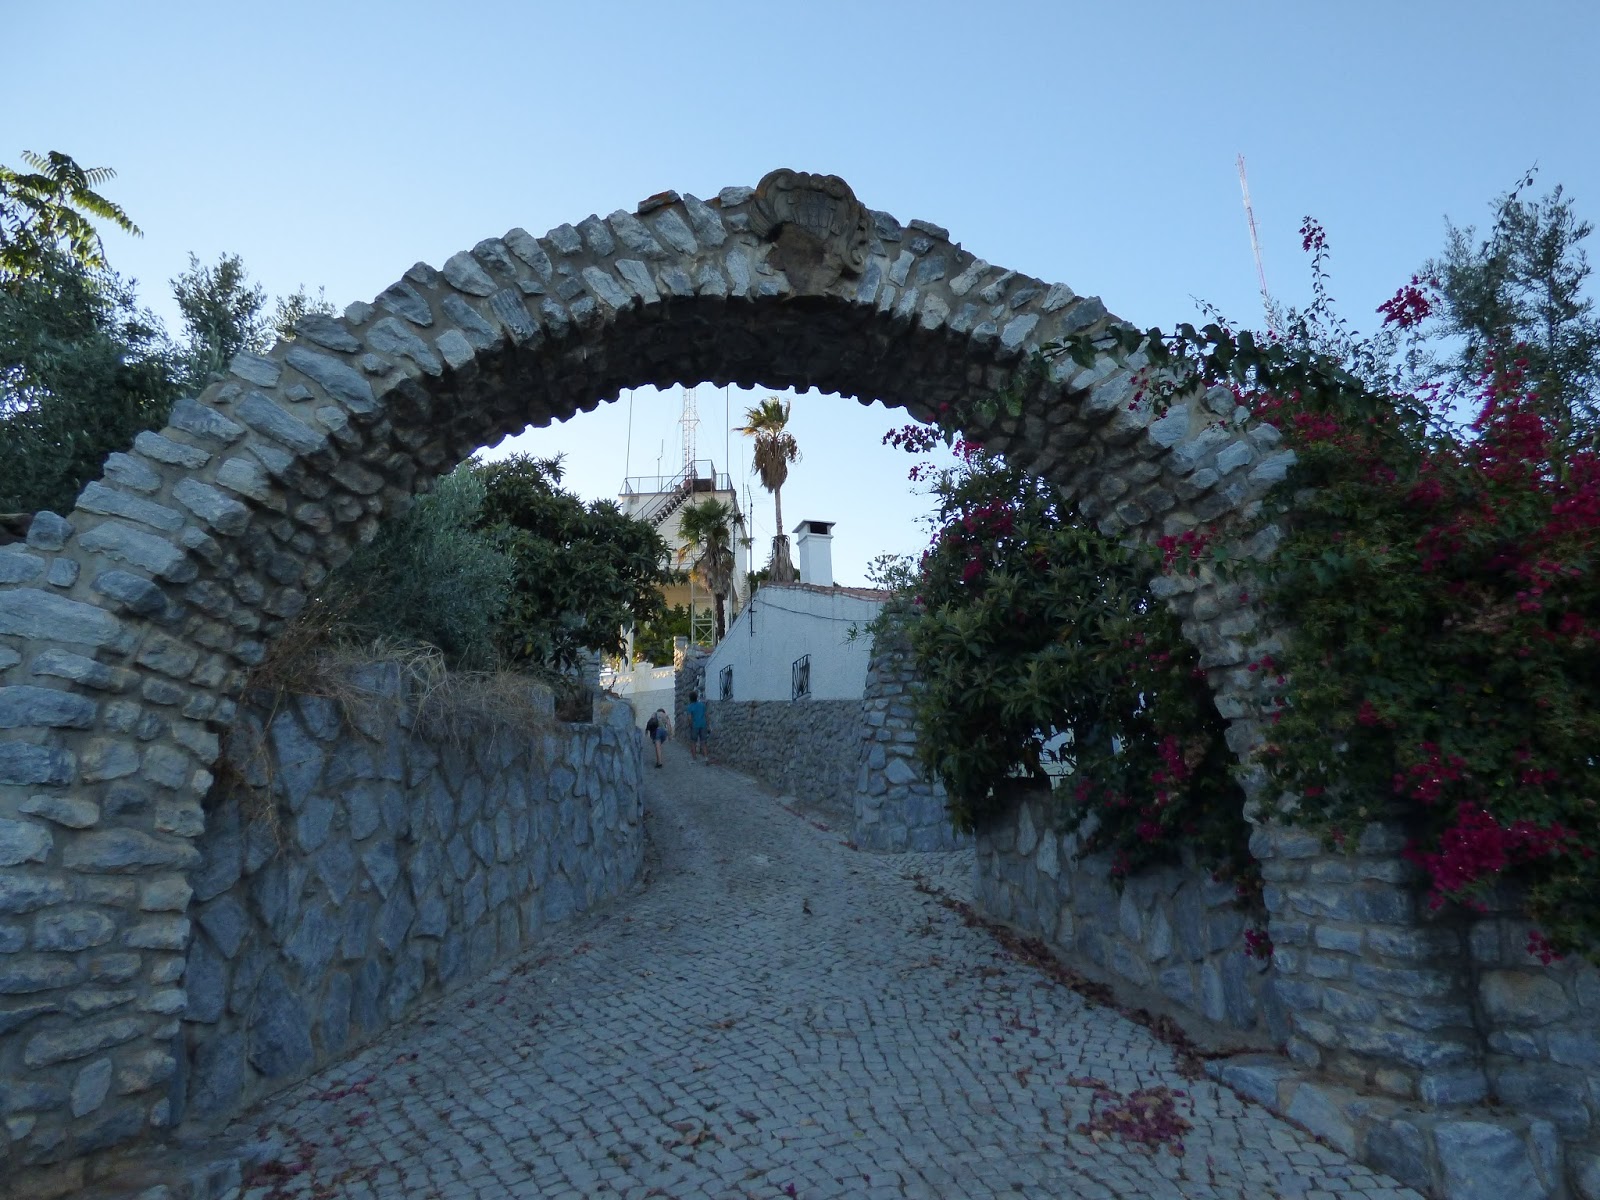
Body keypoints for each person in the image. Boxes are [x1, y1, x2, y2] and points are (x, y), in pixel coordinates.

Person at [684, 691, 710, 763]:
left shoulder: (690, 707)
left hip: (695, 725)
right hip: (703, 725)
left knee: (693, 742)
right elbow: (706, 715)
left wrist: (690, 725)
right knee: (703, 742)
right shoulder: (702, 705)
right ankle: (706, 758)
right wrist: (707, 724)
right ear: (696, 697)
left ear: (690, 698)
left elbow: (689, 718)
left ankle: (694, 758)